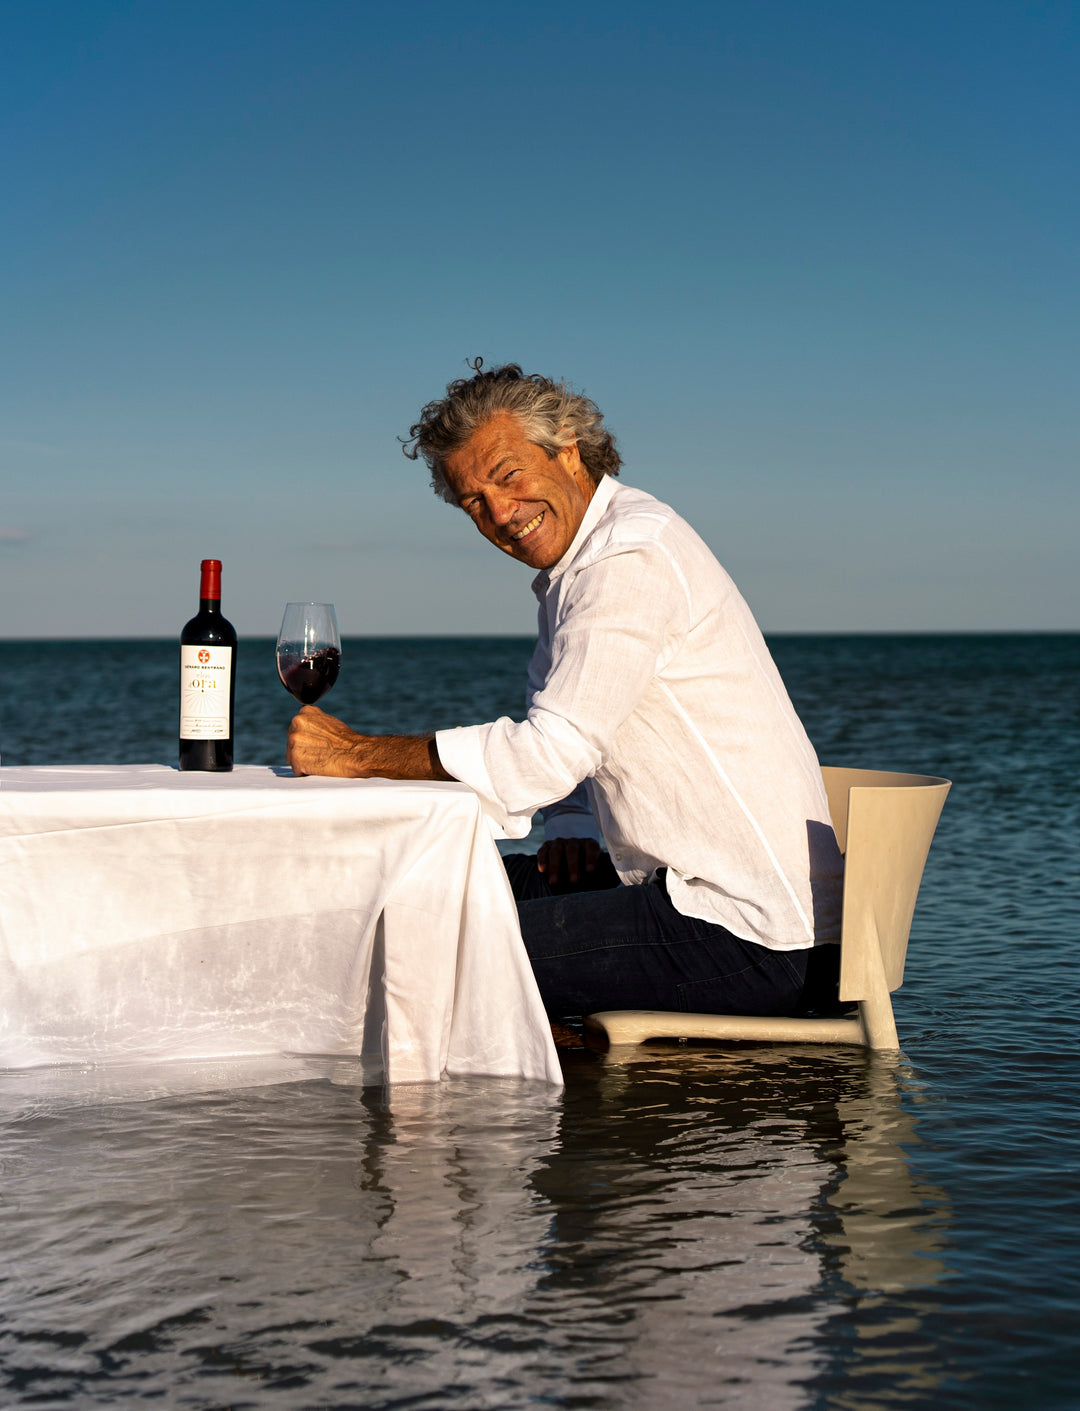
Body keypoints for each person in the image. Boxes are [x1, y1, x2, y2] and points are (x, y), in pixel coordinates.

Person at [287, 362, 844, 1021]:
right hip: (701, 898)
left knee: (422, 939)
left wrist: (358, 754)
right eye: (473, 500)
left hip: (757, 937)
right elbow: (578, 740)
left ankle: (419, 1121)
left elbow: (548, 752)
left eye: (507, 474)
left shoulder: (626, 560)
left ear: (570, 449)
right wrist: (574, 824)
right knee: (419, 885)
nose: (498, 512)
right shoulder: (579, 569)